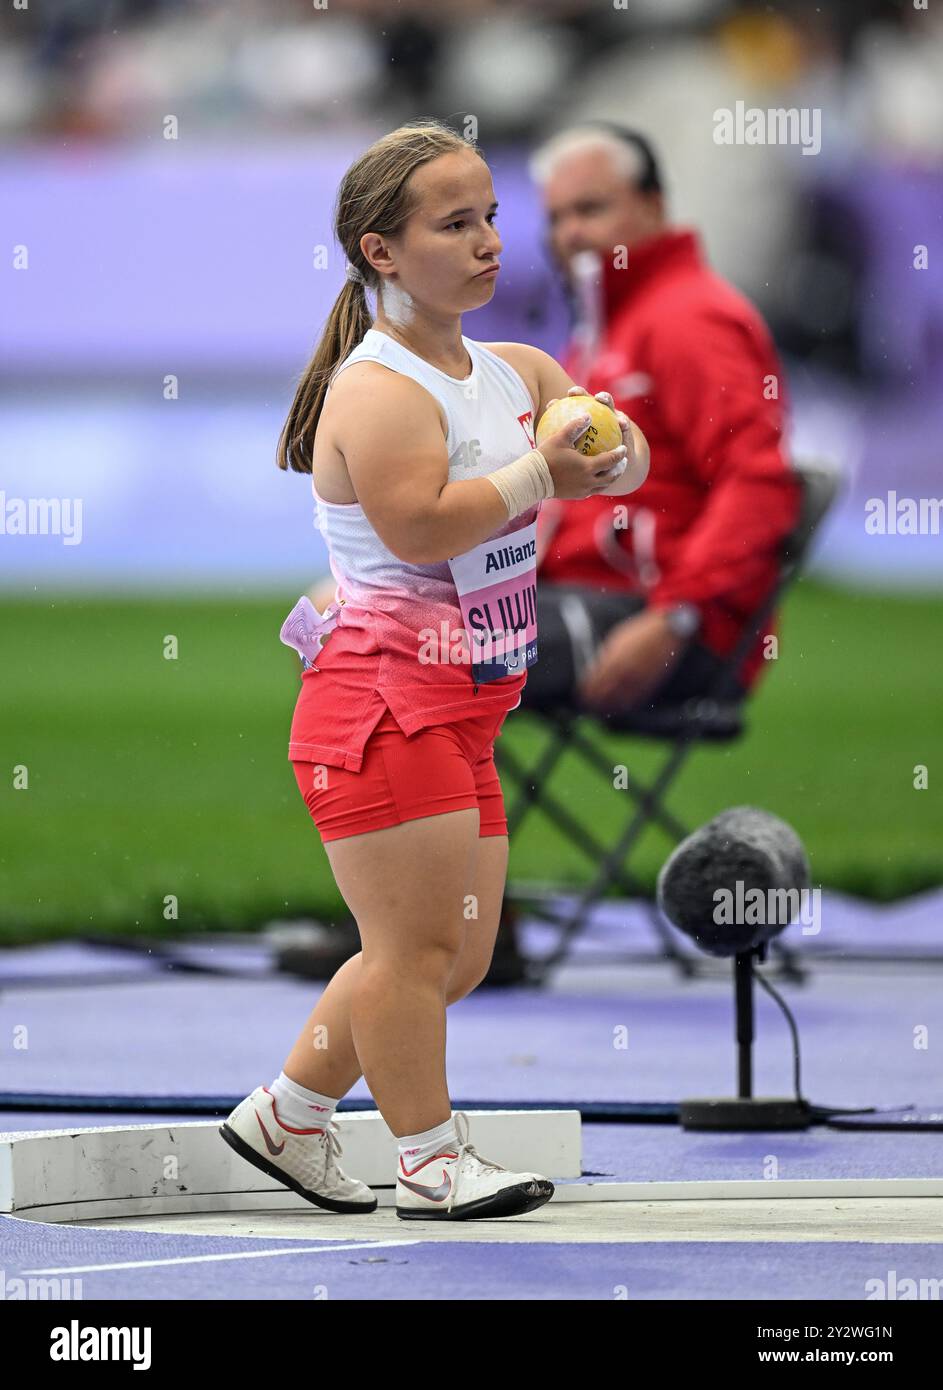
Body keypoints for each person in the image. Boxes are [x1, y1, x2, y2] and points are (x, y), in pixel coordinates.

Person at [219, 120, 650, 1222]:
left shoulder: (514, 373)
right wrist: (538, 471)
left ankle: (288, 1115)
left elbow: (617, 453)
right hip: (380, 699)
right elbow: (418, 529)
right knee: (408, 949)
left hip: (463, 702)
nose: (490, 242)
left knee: (450, 958)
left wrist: (608, 448)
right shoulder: (376, 389)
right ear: (382, 252)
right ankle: (428, 1158)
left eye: (492, 216)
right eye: (455, 225)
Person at [520, 122, 803, 716]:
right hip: (586, 600)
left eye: (591, 209)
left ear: (654, 205)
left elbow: (760, 484)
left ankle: (455, 811)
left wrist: (678, 614)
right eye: (556, 217)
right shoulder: (611, 324)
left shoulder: (690, 319)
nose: (570, 233)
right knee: (353, 615)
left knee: (403, 647)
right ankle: (459, 812)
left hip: (658, 619)